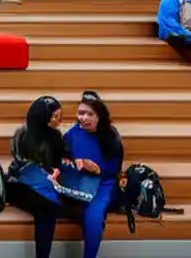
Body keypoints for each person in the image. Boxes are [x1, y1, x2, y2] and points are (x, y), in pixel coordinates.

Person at [61, 92, 125, 258]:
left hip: (103, 183)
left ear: (99, 117)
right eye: (81, 113)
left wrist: (98, 170)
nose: (84, 118)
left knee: (93, 216)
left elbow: (115, 169)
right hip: (78, 179)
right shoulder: (72, 134)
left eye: (89, 114)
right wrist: (71, 163)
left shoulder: (111, 137)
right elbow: (62, 157)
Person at [6, 96, 66, 258]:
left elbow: (57, 162)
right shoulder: (22, 134)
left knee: (52, 207)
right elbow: (22, 163)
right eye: (54, 117)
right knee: (48, 209)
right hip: (20, 183)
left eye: (60, 116)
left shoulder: (56, 136)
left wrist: (55, 170)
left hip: (46, 181)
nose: (58, 121)